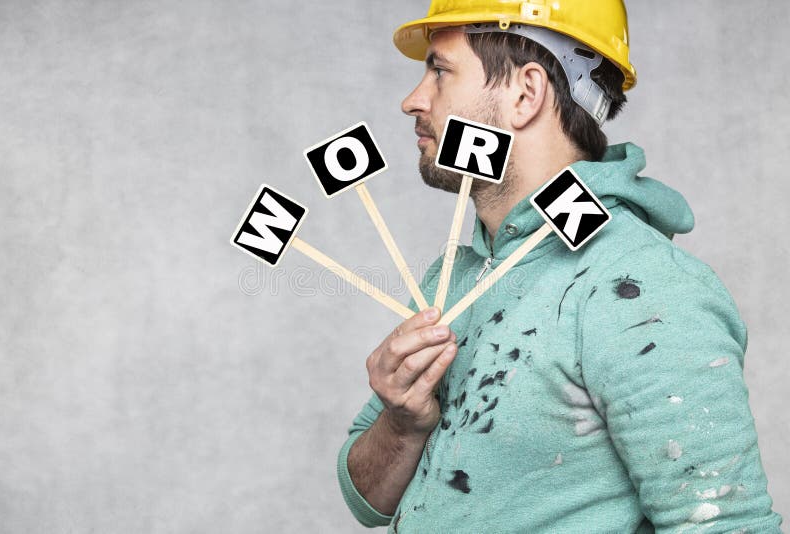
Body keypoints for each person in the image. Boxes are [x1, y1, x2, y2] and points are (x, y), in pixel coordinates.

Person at [336, 1, 784, 532]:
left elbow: (726, 525)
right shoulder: (453, 273)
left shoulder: (641, 288)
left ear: (525, 94)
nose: (413, 100)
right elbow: (367, 501)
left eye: (439, 70)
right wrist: (403, 424)